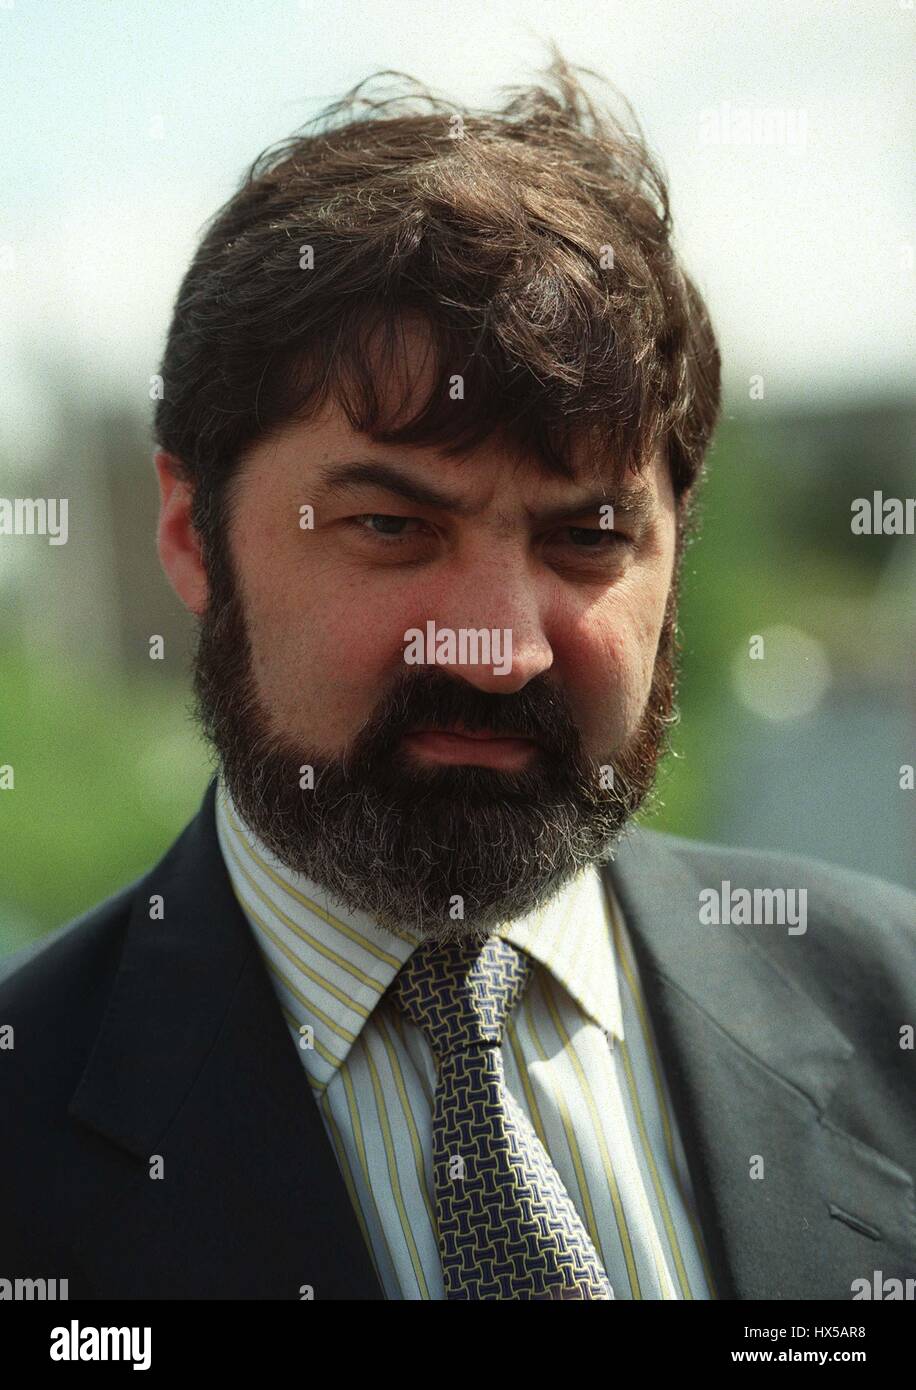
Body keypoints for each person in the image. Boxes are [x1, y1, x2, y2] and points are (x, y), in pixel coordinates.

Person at [1, 52, 913, 1302]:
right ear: (189, 533)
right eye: (390, 527)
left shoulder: (888, 1007)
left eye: (585, 536)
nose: (500, 648)